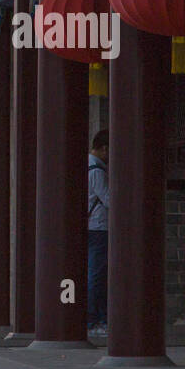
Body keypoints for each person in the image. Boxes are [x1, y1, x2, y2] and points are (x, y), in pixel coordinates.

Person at [87, 129, 109, 337]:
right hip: (99, 227)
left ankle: (95, 318)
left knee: (93, 273)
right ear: (104, 148)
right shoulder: (97, 171)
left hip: (90, 227)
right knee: (96, 275)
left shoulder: (87, 165)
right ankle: (94, 321)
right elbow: (108, 199)